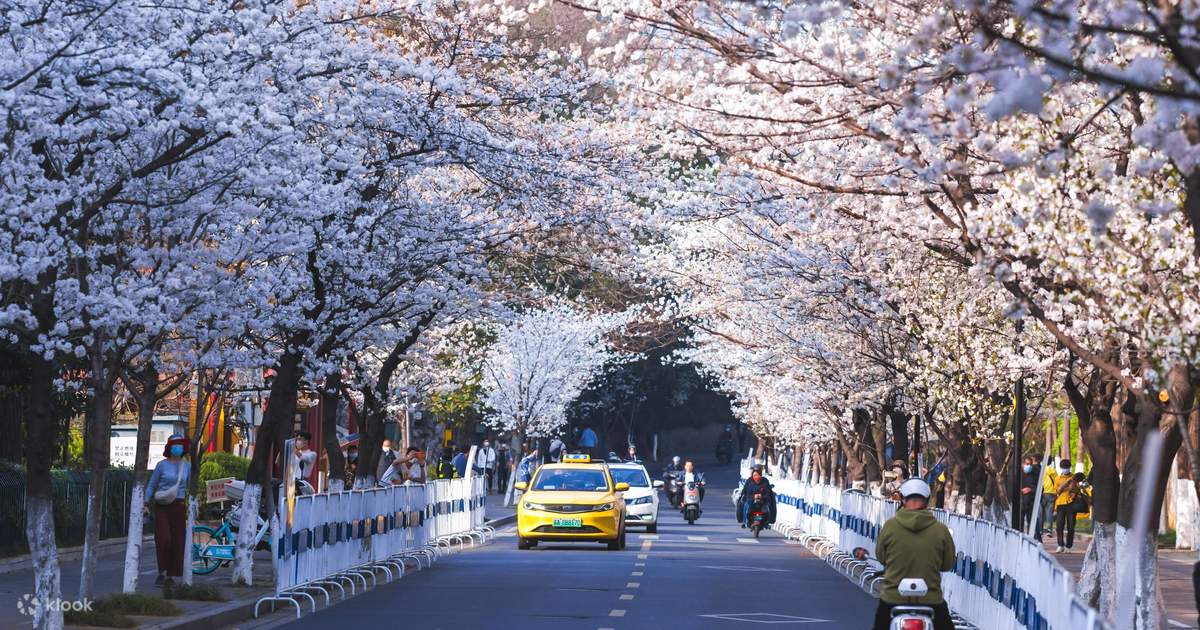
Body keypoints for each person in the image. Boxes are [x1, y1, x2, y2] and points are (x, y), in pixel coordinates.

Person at [872, 478, 956, 630]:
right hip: (931, 600)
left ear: (903, 499)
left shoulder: (890, 526)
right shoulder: (940, 530)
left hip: (893, 598)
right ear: (926, 501)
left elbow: (881, 557)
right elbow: (947, 564)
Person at [145, 434, 191, 586]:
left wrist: (192, 505)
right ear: (169, 447)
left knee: (178, 541)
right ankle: (161, 571)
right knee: (164, 539)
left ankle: (171, 575)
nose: (178, 447)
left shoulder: (187, 466)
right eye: (175, 444)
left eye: (180, 445)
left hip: (179, 505)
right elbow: (152, 484)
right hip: (163, 505)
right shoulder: (161, 465)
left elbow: (191, 487)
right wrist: (145, 501)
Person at [1054, 459, 1080, 552]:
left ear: (1070, 467)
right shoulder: (1058, 478)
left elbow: (1078, 489)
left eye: (1067, 467)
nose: (1065, 469)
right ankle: (1060, 545)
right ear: (1061, 468)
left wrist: (1074, 492)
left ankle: (1069, 546)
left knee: (1071, 526)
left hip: (1072, 504)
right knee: (1059, 525)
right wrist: (1065, 485)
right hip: (1060, 504)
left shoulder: (1074, 477)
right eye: (1064, 468)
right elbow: (1057, 491)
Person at [1038, 454, 1058, 538]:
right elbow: (1057, 481)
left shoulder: (1040, 470)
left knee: (1040, 512)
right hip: (1052, 493)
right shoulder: (1053, 470)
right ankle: (1049, 530)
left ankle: (1040, 530)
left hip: (1041, 492)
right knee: (1049, 512)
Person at [1019, 455, 1040, 531]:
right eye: (1027, 464)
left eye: (1030, 464)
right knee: (1019, 522)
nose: (1029, 466)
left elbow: (1040, 487)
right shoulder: (1018, 474)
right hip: (1020, 503)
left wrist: (1030, 489)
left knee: (1031, 523)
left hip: (1031, 502)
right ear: (1022, 464)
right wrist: (1021, 490)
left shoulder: (1034, 474)